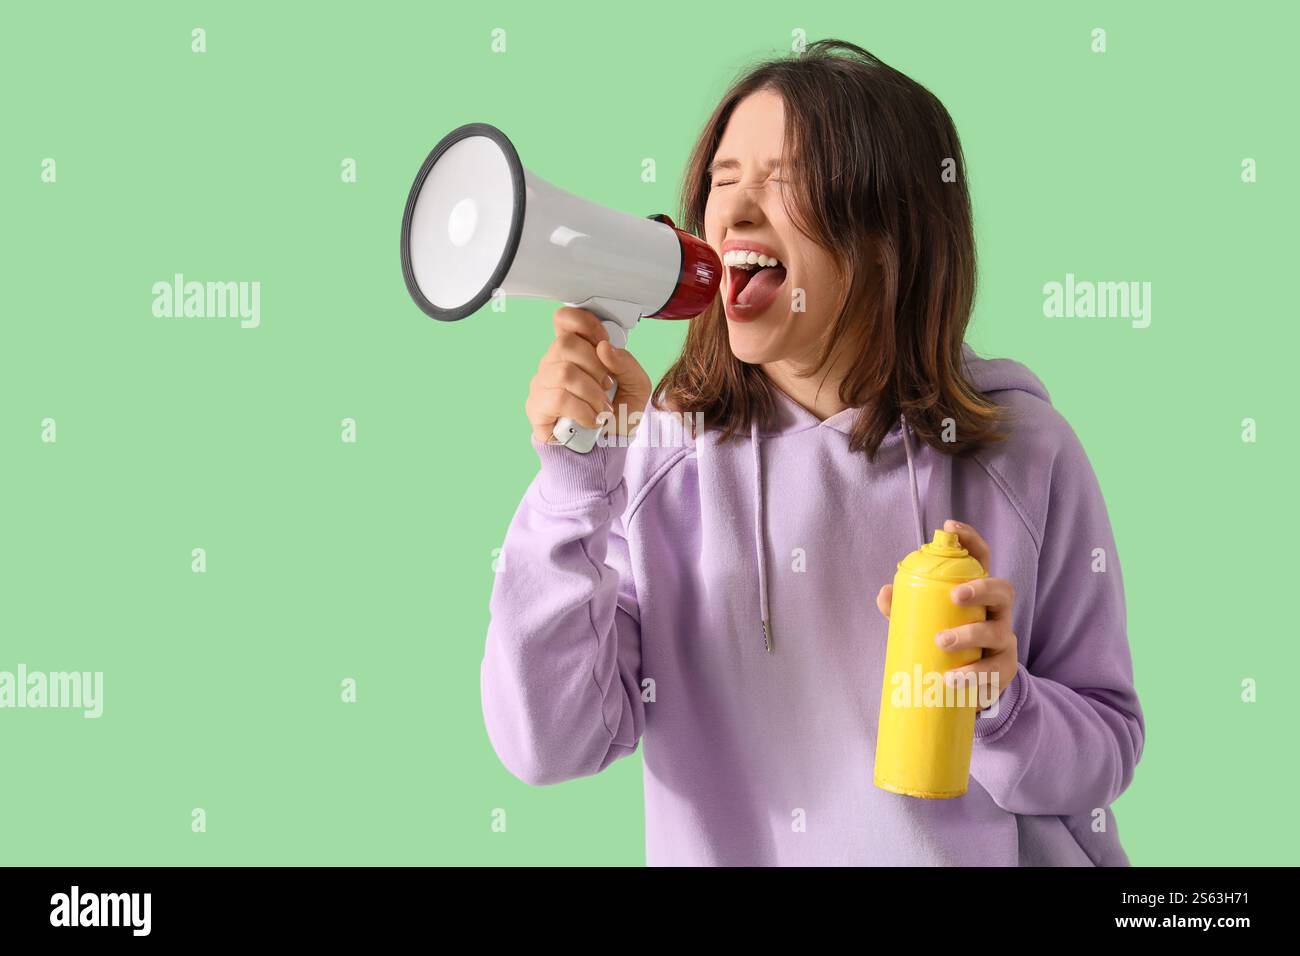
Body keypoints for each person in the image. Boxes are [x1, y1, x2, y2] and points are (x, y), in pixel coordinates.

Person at [482, 39, 1144, 866]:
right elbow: (549, 743)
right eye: (723, 181)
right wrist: (572, 485)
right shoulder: (655, 464)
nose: (737, 212)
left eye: (783, 179)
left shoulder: (1024, 453)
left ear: (887, 232)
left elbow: (1107, 748)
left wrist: (1001, 703)